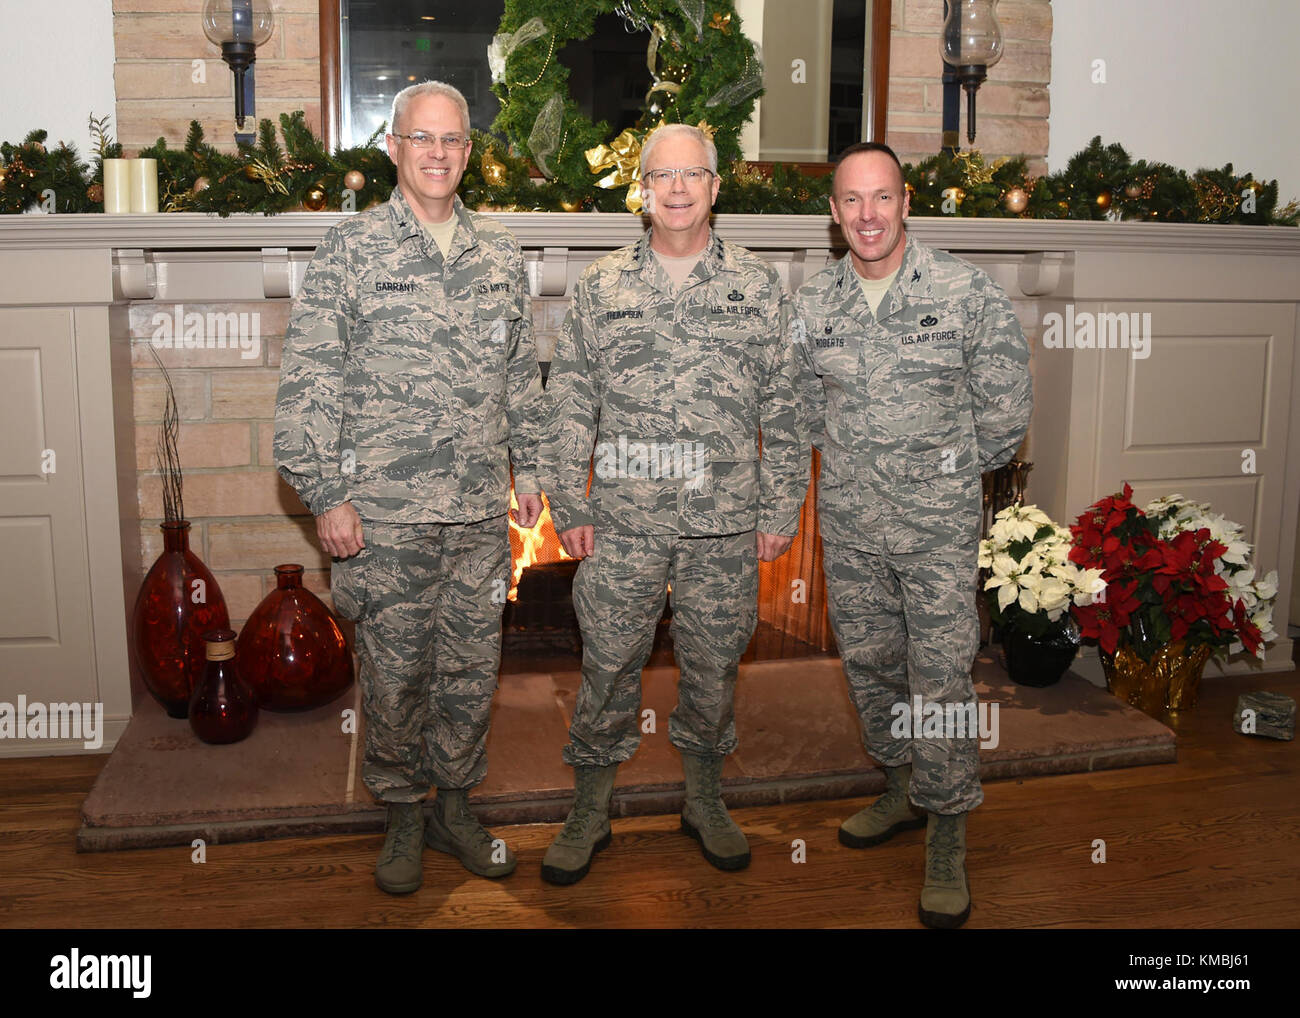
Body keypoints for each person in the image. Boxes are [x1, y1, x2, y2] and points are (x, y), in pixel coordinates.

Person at [274, 80, 544, 895]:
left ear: (469, 151)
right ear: (392, 148)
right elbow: (308, 385)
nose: (437, 153)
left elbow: (520, 379)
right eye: (420, 139)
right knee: (393, 677)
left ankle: (454, 805)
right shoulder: (348, 253)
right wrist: (326, 492)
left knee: (469, 669)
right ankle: (400, 810)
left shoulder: (500, 256)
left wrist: (528, 468)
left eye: (452, 140)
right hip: (380, 521)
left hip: (472, 517)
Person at [539, 123, 809, 884]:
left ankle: (704, 798)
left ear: (716, 188)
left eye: (694, 175)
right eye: (663, 176)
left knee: (714, 666)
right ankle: (591, 807)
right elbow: (571, 402)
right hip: (623, 522)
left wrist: (778, 510)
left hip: (724, 524)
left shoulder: (757, 288)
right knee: (609, 664)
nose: (679, 188)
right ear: (643, 190)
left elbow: (786, 408)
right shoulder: (601, 286)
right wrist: (571, 502)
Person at [794, 141, 1032, 928]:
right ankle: (899, 789)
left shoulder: (965, 293)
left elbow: (1005, 417)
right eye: (852, 201)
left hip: (934, 531)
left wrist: (939, 474)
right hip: (853, 528)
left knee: (941, 680)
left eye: (882, 198)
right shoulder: (814, 305)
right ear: (834, 213)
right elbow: (797, 411)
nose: (868, 215)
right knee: (870, 667)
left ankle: (948, 830)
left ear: (906, 202)